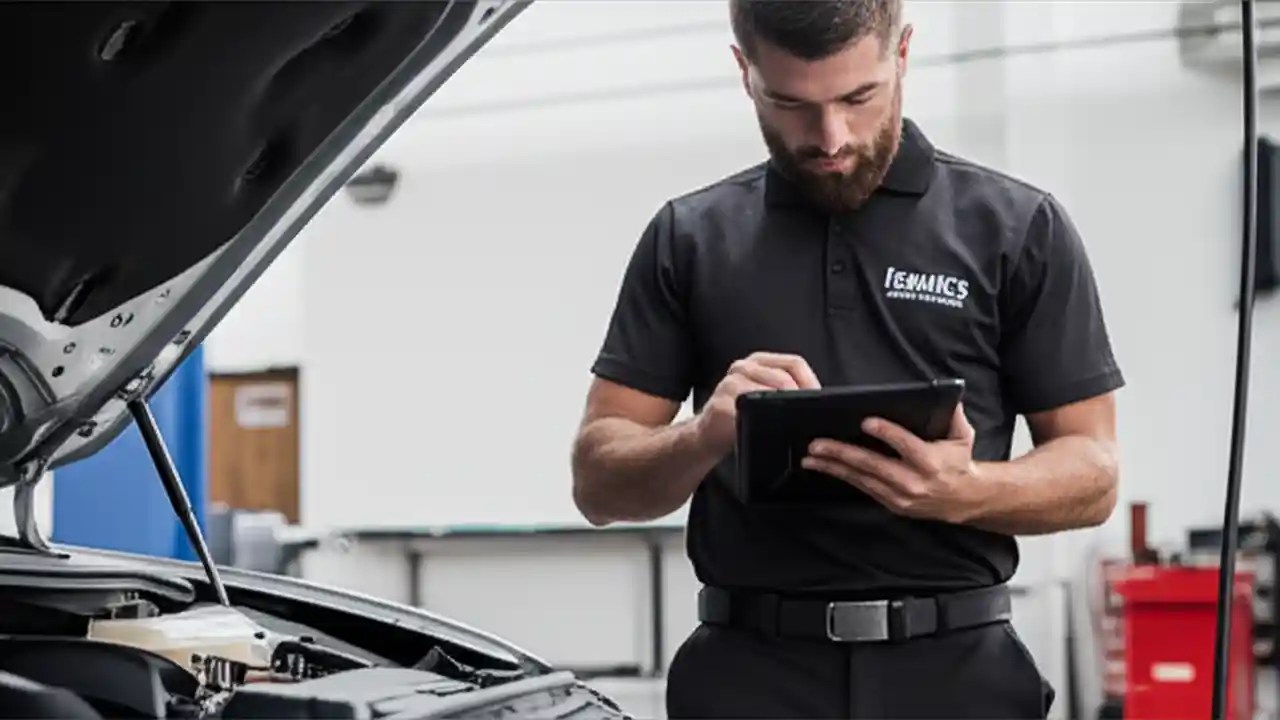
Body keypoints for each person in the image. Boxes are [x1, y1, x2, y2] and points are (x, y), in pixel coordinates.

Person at [570, 1, 1123, 717]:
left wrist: (965, 489)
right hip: (748, 677)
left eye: (858, 98)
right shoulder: (690, 238)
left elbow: (1094, 472)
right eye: (790, 103)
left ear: (902, 54)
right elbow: (597, 483)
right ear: (745, 73)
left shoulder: (1018, 228)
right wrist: (701, 435)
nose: (830, 137)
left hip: (957, 675)